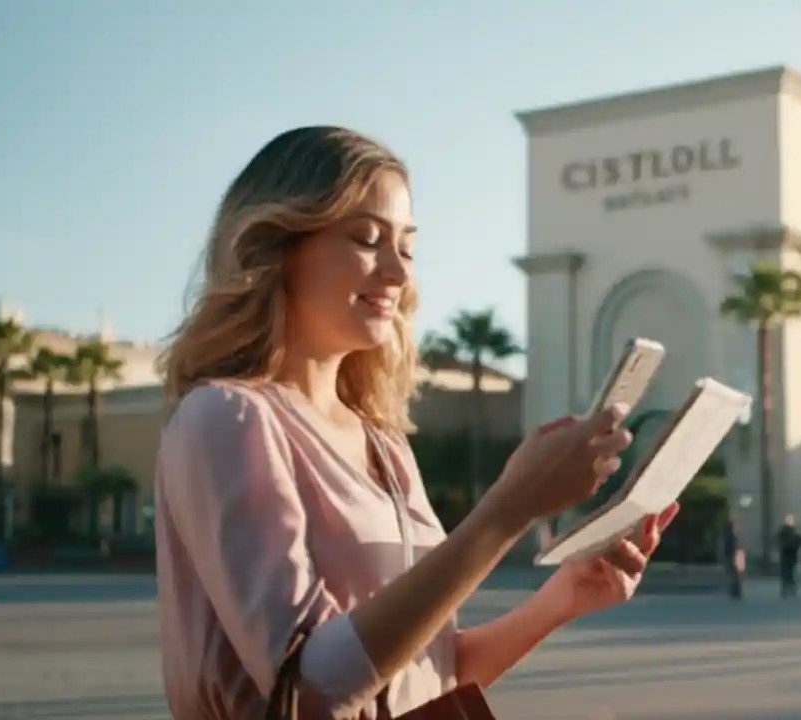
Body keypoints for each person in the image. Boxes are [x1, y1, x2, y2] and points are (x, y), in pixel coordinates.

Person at [154, 126, 680, 719]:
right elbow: (308, 692)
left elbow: (427, 675)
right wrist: (508, 509)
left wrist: (560, 601)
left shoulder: (385, 445)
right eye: (366, 238)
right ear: (276, 248)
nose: (397, 274)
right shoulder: (227, 417)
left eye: (406, 246)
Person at [777, 514, 801, 598]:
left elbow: (798, 543)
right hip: (786, 554)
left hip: (791, 555)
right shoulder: (784, 533)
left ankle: (789, 588)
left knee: (789, 572)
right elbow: (780, 542)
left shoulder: (793, 533)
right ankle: (787, 588)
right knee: (786, 572)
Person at [720, 514, 744, 600]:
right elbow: (735, 546)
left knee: (733, 576)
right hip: (734, 556)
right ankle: (736, 592)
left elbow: (726, 548)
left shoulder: (727, 536)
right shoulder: (732, 536)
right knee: (735, 576)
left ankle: (735, 592)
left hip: (731, 556)